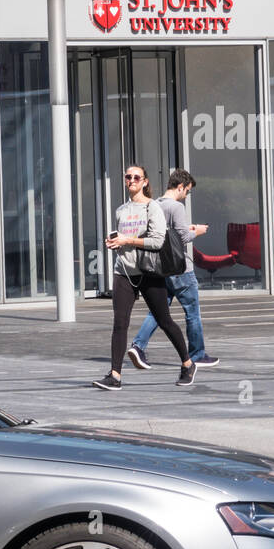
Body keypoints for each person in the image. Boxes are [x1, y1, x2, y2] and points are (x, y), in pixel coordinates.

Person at [92, 164, 196, 391]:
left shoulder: (152, 208)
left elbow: (157, 241)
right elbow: (123, 241)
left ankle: (188, 364)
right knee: (120, 323)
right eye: (128, 176)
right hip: (125, 271)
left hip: (149, 271)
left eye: (136, 177)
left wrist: (127, 240)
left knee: (164, 320)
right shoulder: (121, 210)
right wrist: (115, 243)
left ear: (145, 182)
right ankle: (115, 376)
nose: (131, 180)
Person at [127, 168, 220, 368]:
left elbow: (166, 232)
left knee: (157, 312)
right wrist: (199, 232)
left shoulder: (153, 204)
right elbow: (183, 238)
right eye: (187, 191)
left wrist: (189, 227)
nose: (186, 196)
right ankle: (197, 354)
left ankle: (138, 345)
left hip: (159, 268)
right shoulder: (176, 207)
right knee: (192, 313)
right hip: (180, 269)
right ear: (180, 187)